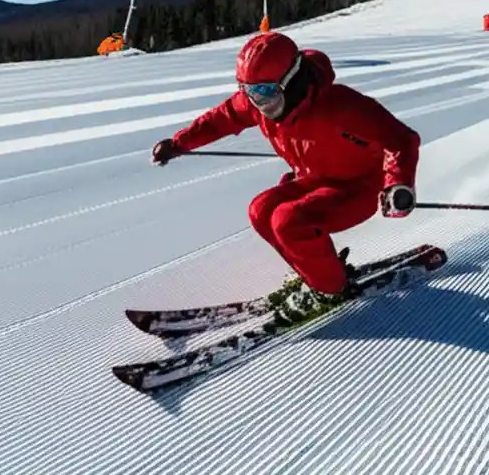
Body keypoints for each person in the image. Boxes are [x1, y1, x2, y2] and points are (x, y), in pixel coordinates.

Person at [150, 31, 421, 303]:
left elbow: (400, 140)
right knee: (261, 210)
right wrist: (178, 143)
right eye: (248, 91)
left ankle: (332, 289)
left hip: (358, 188)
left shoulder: (342, 106)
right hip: (314, 180)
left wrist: (398, 185)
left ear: (292, 80)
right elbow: (221, 119)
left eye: (265, 91)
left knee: (289, 221)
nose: (258, 103)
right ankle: (315, 272)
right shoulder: (258, 103)